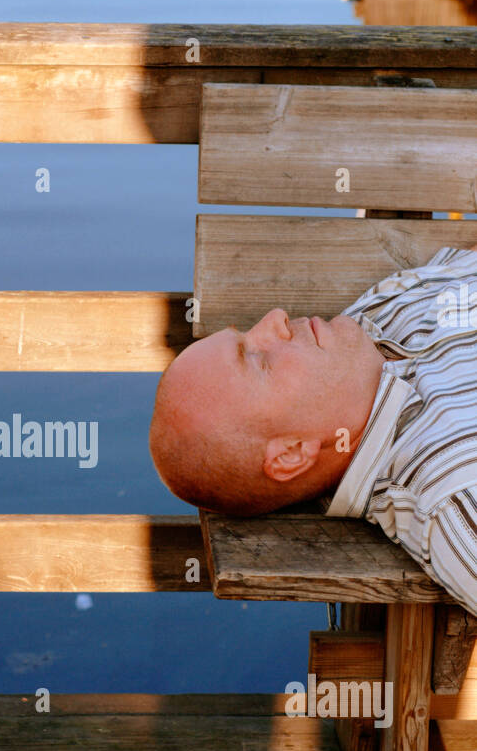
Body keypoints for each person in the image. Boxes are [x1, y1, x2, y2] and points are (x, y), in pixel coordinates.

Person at [149, 244, 477, 615]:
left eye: (246, 333)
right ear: (292, 453)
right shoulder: (451, 500)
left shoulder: (369, 317)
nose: (276, 318)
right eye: (259, 360)